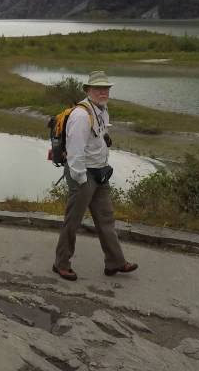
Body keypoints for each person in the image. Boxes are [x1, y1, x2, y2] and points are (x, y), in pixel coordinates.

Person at [53, 71, 138, 281]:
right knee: (73, 221)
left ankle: (115, 263)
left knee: (106, 219)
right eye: (98, 88)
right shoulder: (81, 116)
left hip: (100, 173)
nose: (103, 92)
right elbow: (75, 152)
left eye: (106, 88)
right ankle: (61, 264)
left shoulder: (101, 109)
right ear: (88, 90)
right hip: (84, 176)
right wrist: (81, 180)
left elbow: (98, 134)